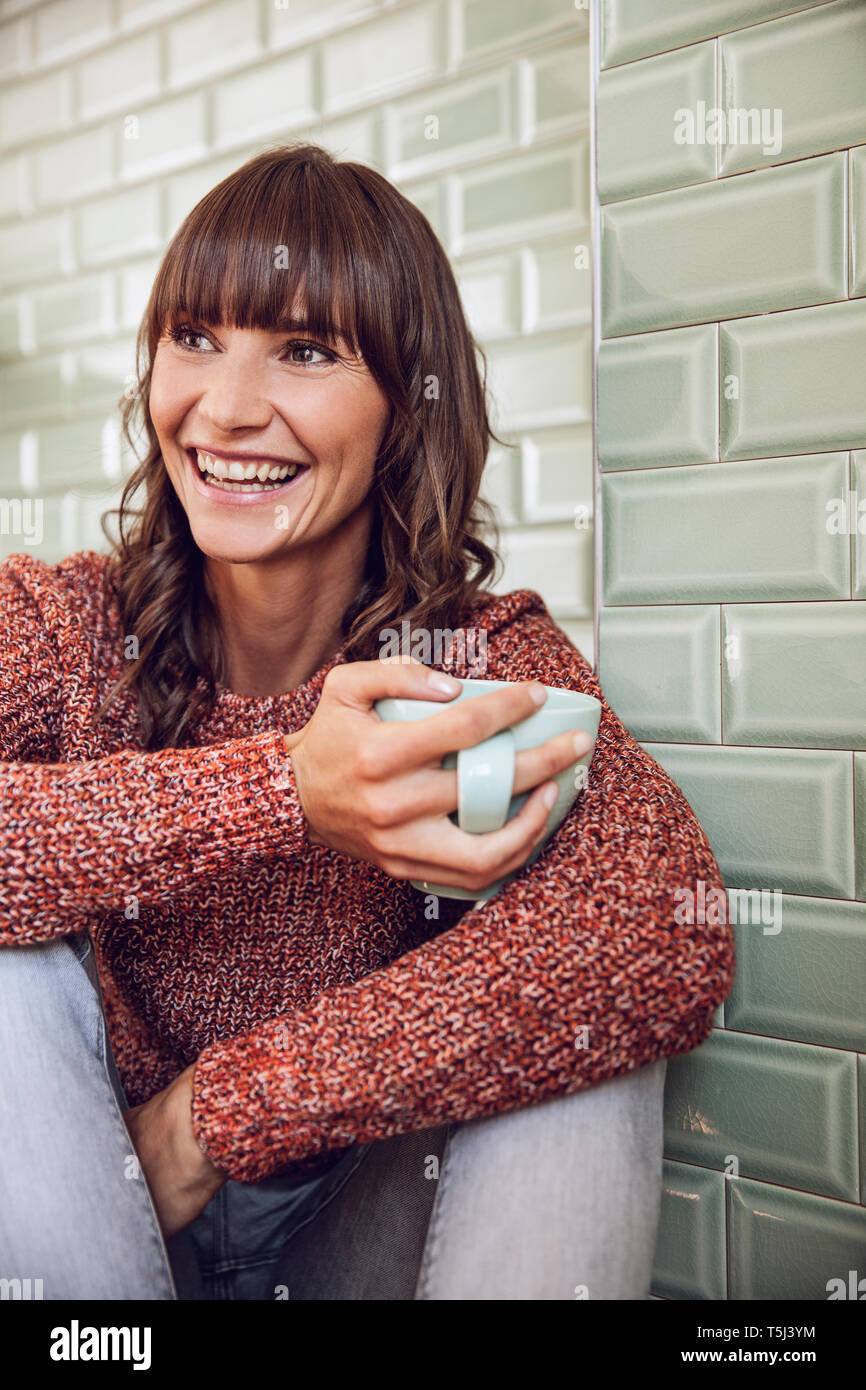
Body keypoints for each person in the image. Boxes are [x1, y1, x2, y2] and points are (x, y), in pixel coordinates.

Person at [0, 143, 734, 1301]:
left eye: (303, 350)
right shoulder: (63, 625)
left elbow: (663, 924)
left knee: (585, 1034)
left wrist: (216, 1116)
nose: (227, 409)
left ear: (404, 401)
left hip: (355, 1228)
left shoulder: (471, 661)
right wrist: (286, 788)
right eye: (194, 337)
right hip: (105, 1230)